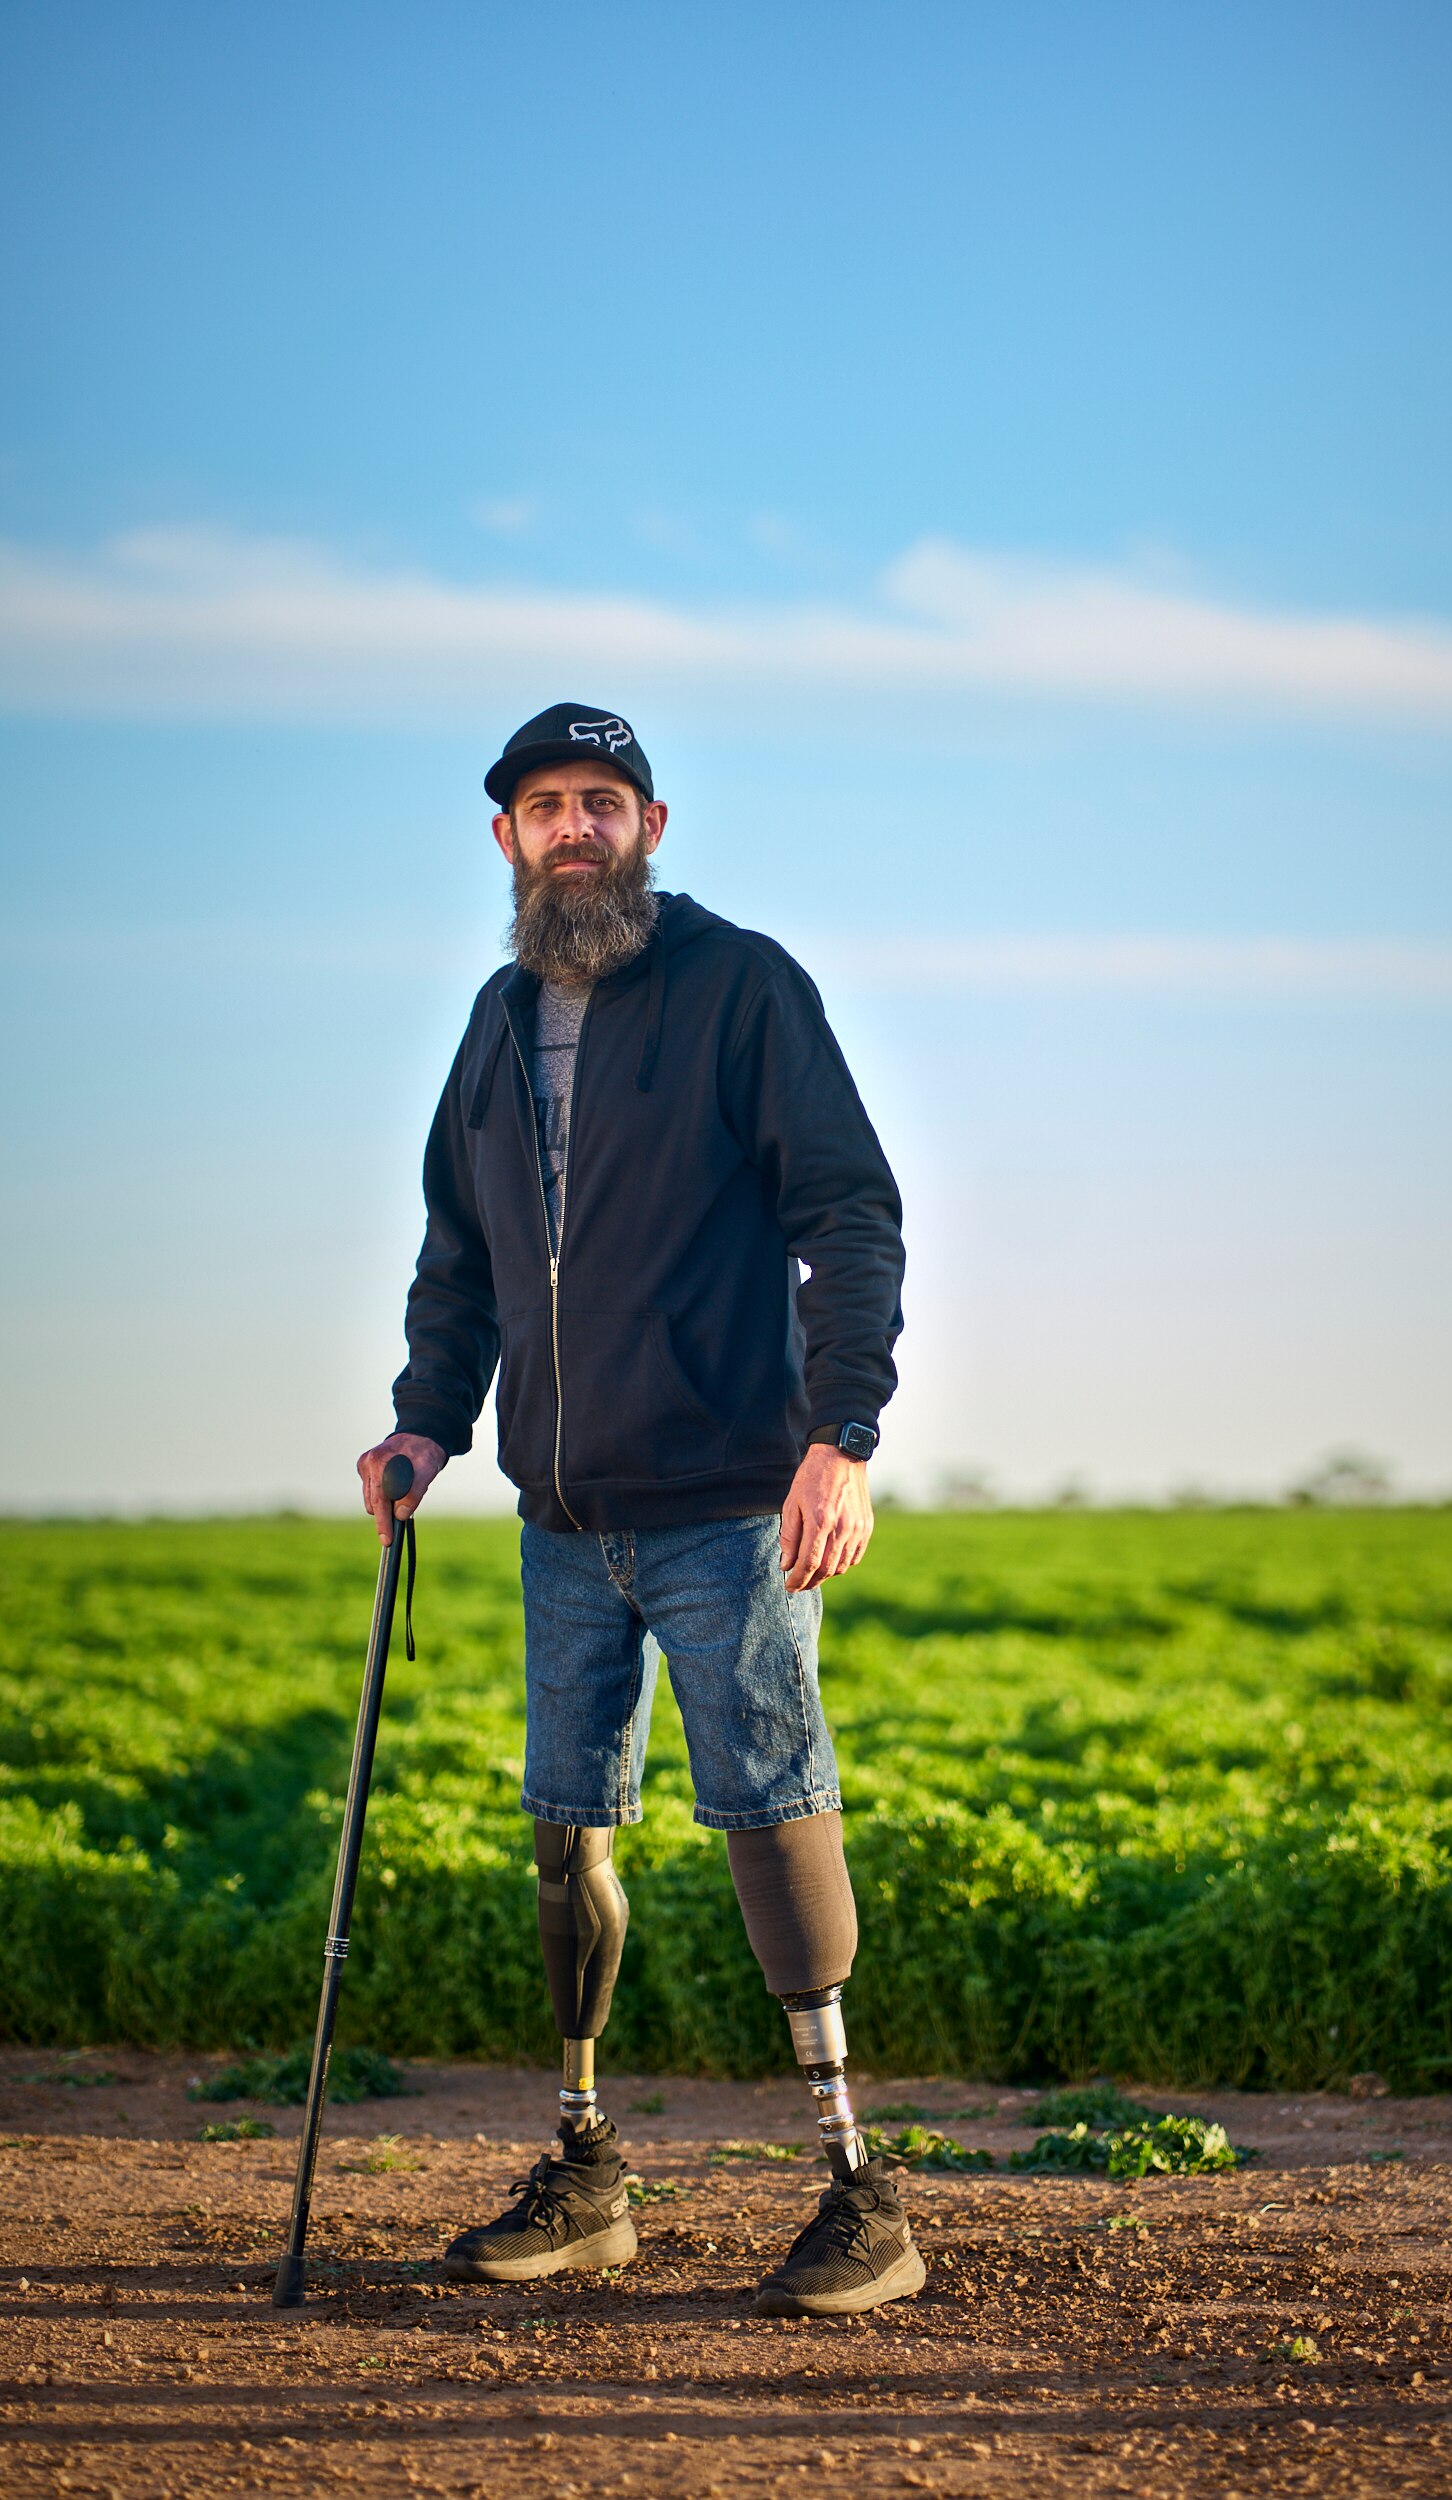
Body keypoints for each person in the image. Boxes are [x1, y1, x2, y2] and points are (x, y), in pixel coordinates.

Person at [356, 702, 918, 2319]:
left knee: (772, 1811)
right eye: (547, 805)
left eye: (603, 800)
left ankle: (861, 2195)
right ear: (507, 839)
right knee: (566, 1827)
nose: (575, 827)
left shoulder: (742, 987)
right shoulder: (493, 1023)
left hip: (730, 1502)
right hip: (561, 1515)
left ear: (651, 828)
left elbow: (848, 1210)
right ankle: (588, 2173)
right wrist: (425, 1420)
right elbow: (459, 1256)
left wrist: (844, 1433)